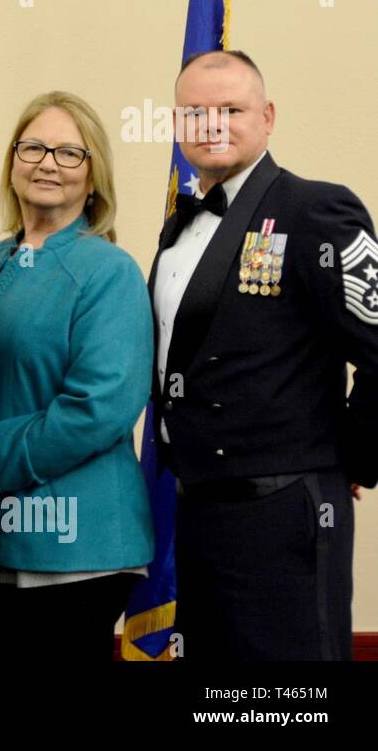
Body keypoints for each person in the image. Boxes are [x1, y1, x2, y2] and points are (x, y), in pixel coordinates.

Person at [153, 49, 378, 660]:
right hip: (198, 511)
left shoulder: (316, 211)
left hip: (284, 511)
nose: (213, 123)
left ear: (269, 116)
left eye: (231, 109)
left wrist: (354, 451)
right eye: (195, 111)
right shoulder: (178, 227)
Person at [0, 91, 154, 661]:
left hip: (74, 553)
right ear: (12, 163)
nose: (47, 162)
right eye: (34, 147)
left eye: (70, 153)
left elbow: (98, 408)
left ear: (94, 177)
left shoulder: (108, 270)